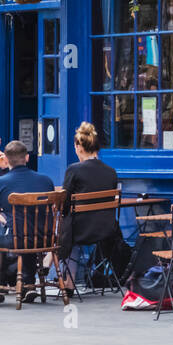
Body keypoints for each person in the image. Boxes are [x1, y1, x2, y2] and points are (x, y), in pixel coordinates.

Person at [0, 140, 54, 306]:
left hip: (14, 234)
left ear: (4, 153)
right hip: (44, 237)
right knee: (24, 228)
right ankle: (27, 283)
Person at [57, 122, 121, 288]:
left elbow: (63, 205)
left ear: (79, 147)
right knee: (68, 226)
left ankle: (66, 283)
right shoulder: (111, 171)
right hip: (107, 230)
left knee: (64, 228)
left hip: (80, 231)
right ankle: (57, 275)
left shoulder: (74, 170)